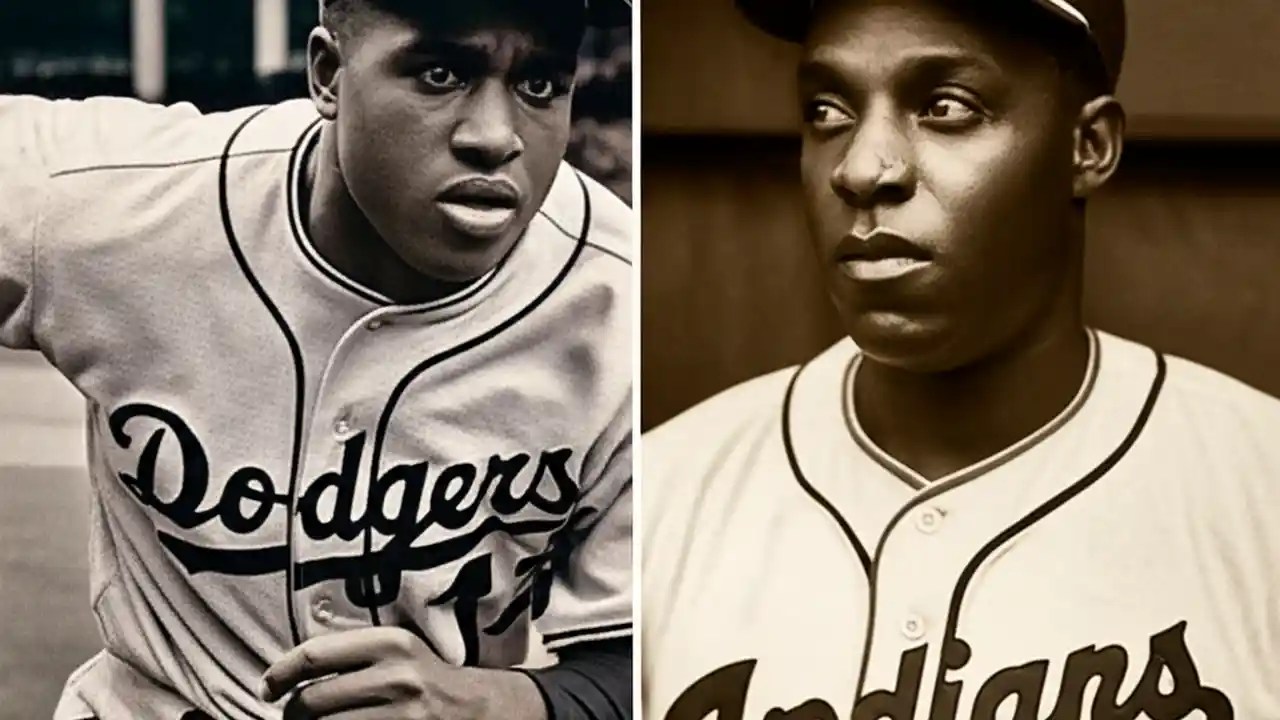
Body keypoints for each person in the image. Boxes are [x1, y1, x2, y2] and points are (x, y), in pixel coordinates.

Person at [642, 0, 1280, 718]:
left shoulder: (1261, 492)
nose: (860, 168)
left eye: (944, 107)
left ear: (1088, 146)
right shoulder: (659, 496)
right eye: (827, 111)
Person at [0, 0, 633, 718]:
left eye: (541, 84)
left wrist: (494, 704)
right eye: (439, 72)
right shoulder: (116, 198)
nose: (495, 137)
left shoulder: (620, 299)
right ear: (328, 75)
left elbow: (641, 660)